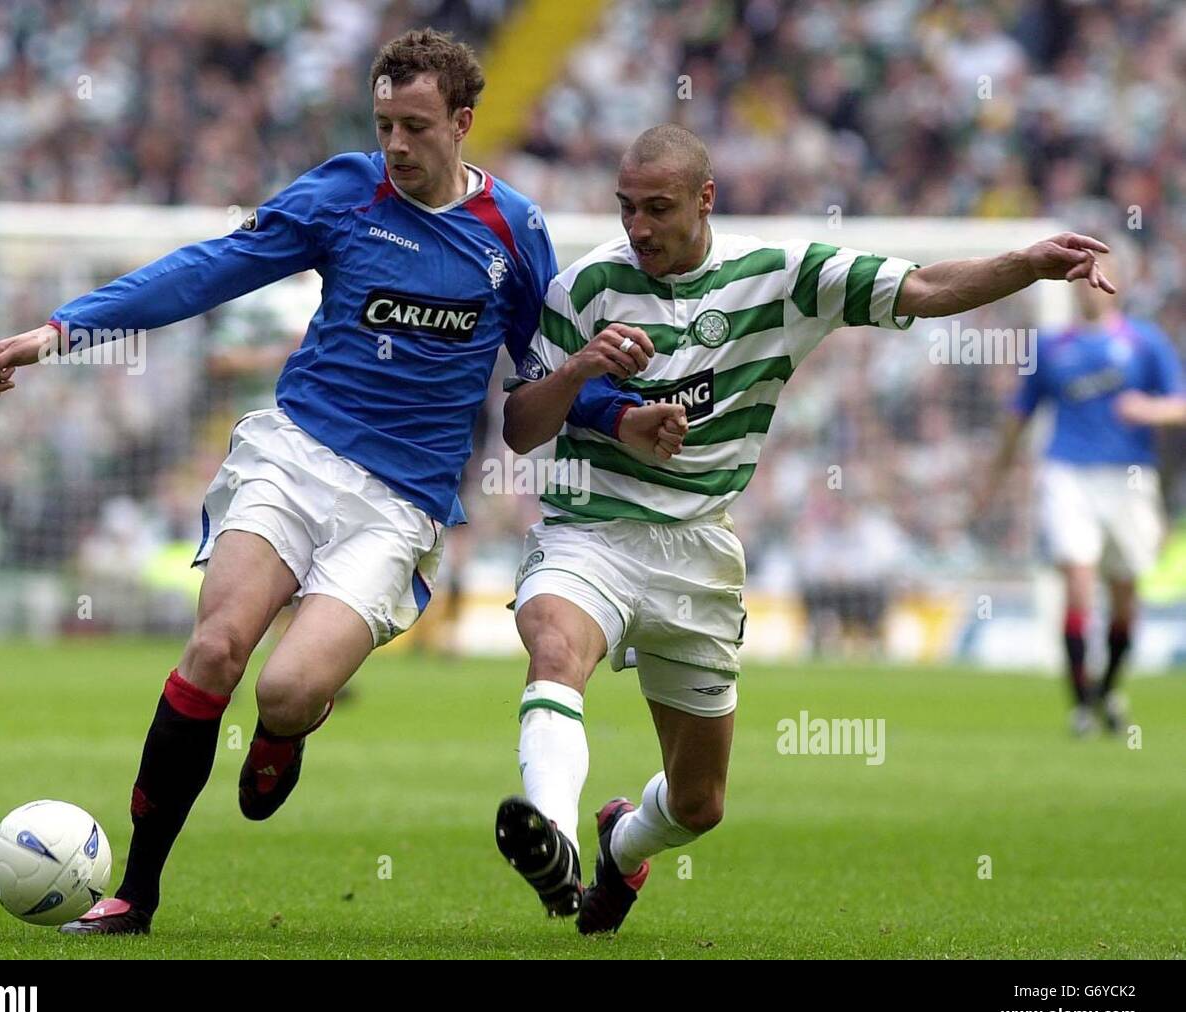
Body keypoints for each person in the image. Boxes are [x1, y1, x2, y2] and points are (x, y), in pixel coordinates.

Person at [0, 28, 628, 935]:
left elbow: (546, 370)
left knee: (284, 691)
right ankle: (138, 890)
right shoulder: (343, 191)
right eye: (383, 123)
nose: (396, 144)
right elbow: (211, 269)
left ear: (464, 122)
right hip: (294, 456)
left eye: (415, 125)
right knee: (214, 653)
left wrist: (626, 416)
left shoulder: (512, 233)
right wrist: (65, 328)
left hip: (397, 506)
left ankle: (283, 734)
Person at [492, 122, 1117, 934]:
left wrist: (1027, 264)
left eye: (658, 207)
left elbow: (921, 289)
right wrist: (580, 369)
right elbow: (519, 428)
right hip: (593, 531)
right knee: (553, 646)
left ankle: (622, 840)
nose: (638, 227)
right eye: (626, 208)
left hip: (698, 552)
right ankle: (557, 844)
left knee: (698, 802)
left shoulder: (779, 277)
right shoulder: (582, 287)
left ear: (705, 198)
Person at [980, 256, 1186, 735]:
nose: (1089, 288)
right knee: (1077, 576)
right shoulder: (1052, 347)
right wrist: (996, 477)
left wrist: (1148, 411)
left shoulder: (1145, 342)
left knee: (1125, 594)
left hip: (1130, 478)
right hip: (1067, 473)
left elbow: (1179, 406)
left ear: (1119, 286)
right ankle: (1079, 703)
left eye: (1099, 280)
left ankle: (1108, 690)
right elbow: (1019, 417)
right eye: (1081, 279)